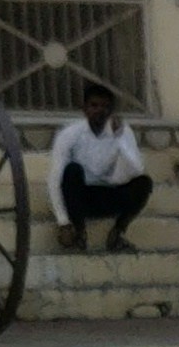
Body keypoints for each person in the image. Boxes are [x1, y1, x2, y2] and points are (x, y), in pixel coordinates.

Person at [49, 82, 151, 251]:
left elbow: (137, 169)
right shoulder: (70, 134)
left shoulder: (123, 131)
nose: (99, 111)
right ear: (84, 108)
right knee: (72, 170)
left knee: (144, 183)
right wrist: (63, 222)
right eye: (94, 105)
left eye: (105, 106)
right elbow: (55, 178)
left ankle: (117, 234)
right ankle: (79, 234)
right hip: (80, 197)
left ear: (111, 110)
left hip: (108, 194)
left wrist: (119, 139)